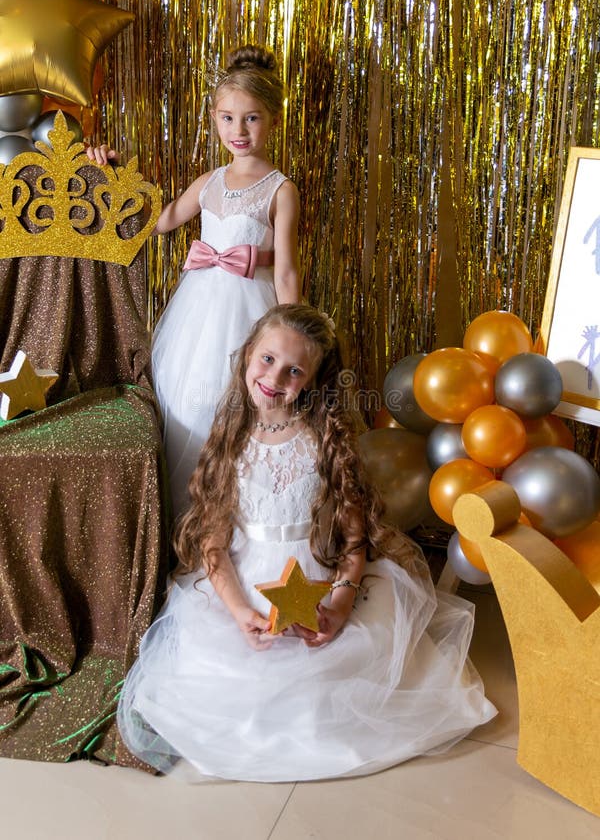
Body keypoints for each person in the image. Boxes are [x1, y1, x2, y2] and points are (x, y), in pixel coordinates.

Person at [117, 304, 497, 782]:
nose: (276, 378)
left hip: (317, 587)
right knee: (226, 684)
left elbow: (354, 539)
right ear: (247, 356)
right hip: (249, 587)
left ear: (314, 380)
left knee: (337, 685)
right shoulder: (231, 436)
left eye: (295, 370)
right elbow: (213, 544)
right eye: (268, 360)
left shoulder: (326, 439)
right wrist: (238, 612)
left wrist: (340, 601)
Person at [87, 45, 300, 516]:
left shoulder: (281, 190)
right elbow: (160, 222)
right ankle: (186, 522)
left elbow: (284, 270)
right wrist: (115, 174)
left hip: (252, 313)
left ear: (273, 118)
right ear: (214, 118)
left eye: (251, 119)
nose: (238, 131)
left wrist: (293, 339)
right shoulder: (209, 182)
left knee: (239, 408)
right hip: (198, 314)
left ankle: (238, 523)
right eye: (227, 118)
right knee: (188, 403)